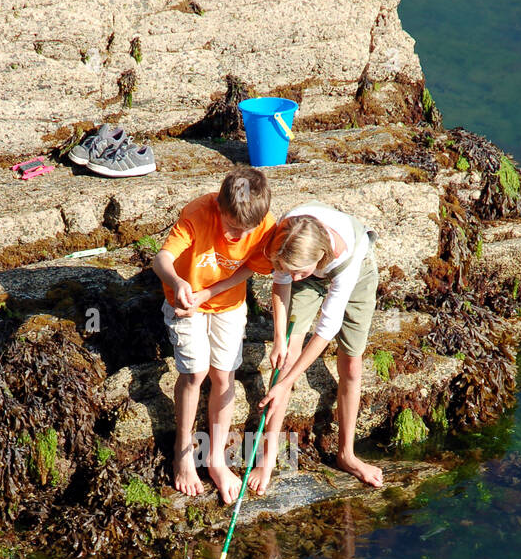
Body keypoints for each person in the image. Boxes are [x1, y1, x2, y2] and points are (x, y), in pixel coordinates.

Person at [151, 168, 275, 504]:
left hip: (227, 304)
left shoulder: (263, 223)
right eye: (232, 228)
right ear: (219, 207)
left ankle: (216, 459)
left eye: (244, 231)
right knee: (194, 373)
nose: (237, 236)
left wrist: (213, 293)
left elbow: (254, 265)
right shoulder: (197, 213)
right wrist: (178, 284)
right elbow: (161, 258)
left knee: (223, 375)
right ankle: (184, 453)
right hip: (184, 302)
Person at [248, 203, 384, 494]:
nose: (294, 277)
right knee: (285, 360)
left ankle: (347, 454)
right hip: (311, 269)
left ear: (321, 256)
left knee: (351, 364)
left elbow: (326, 329)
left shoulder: (347, 255)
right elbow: (282, 284)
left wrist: (287, 385)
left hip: (357, 275)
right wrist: (279, 338)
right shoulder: (287, 239)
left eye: (298, 272)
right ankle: (268, 456)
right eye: (289, 270)